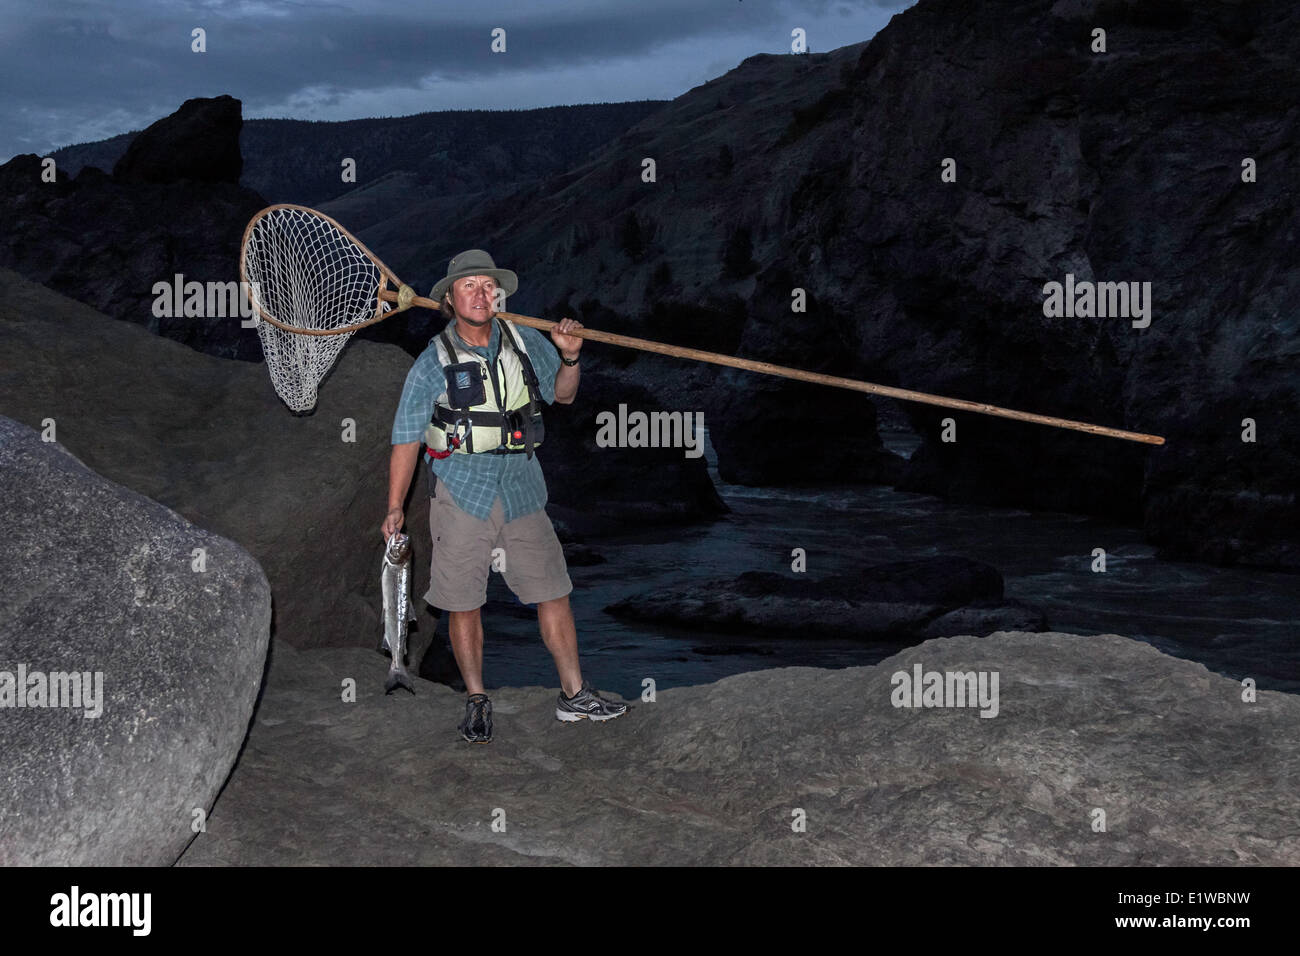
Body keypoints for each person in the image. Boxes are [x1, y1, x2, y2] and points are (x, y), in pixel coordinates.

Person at [382, 249, 628, 742]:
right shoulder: (433, 362)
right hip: (461, 490)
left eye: (486, 285)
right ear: (450, 298)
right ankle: (476, 698)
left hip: (522, 487)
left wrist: (570, 354)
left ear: (499, 294)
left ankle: (574, 696)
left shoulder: (526, 340)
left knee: (553, 591)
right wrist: (394, 506)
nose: (479, 293)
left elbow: (564, 395)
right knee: (463, 602)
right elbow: (407, 436)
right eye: (467, 285)